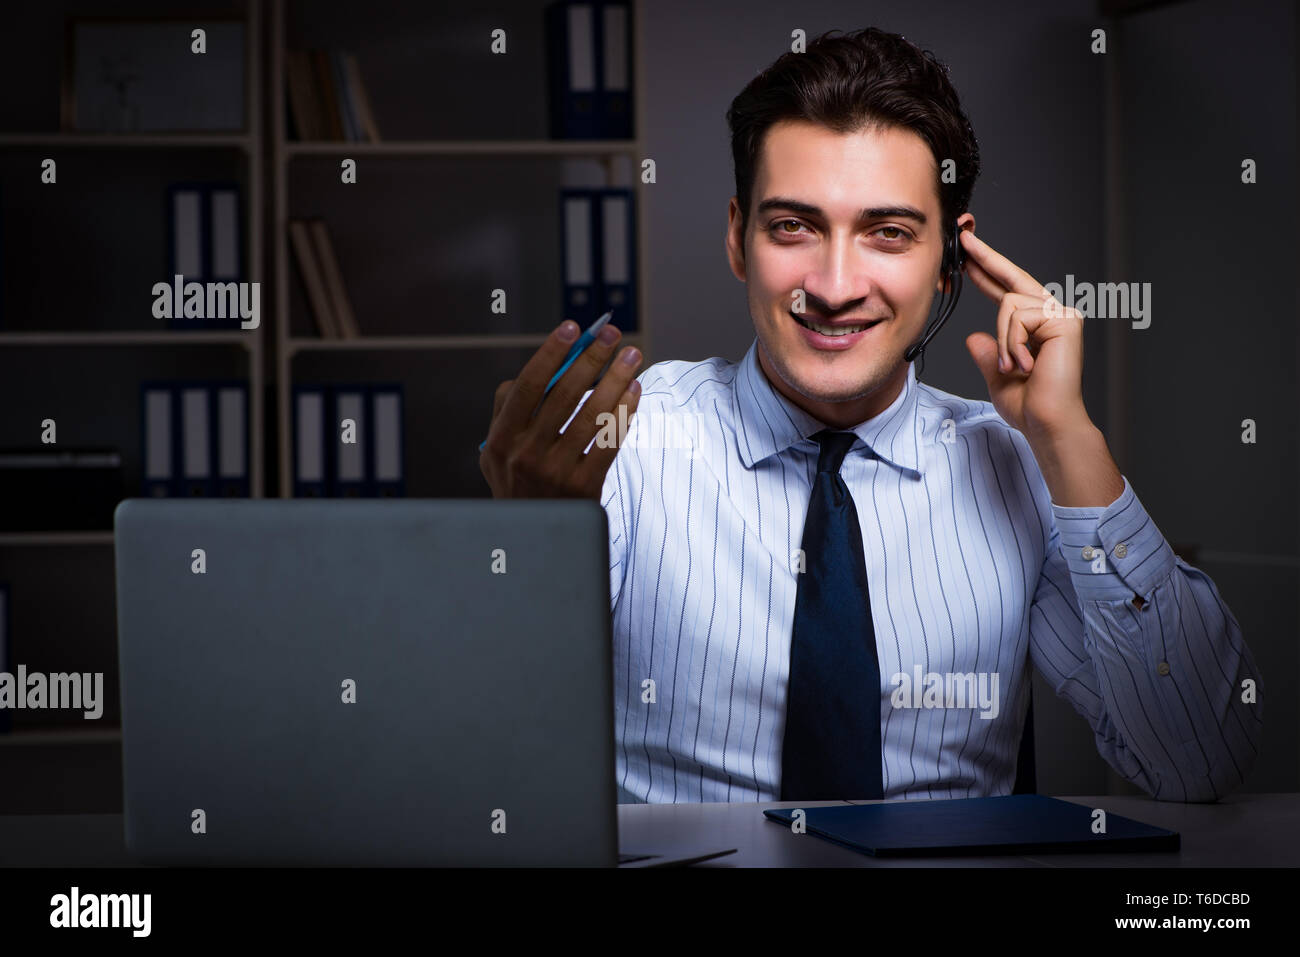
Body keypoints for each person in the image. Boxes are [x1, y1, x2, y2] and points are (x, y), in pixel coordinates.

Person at [479, 27, 1262, 805]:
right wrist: (532, 550)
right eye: (794, 226)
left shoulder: (1019, 465)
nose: (835, 284)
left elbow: (1203, 759)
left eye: (888, 233)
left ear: (949, 262)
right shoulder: (619, 442)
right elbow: (483, 765)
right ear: (737, 239)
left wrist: (1070, 439)